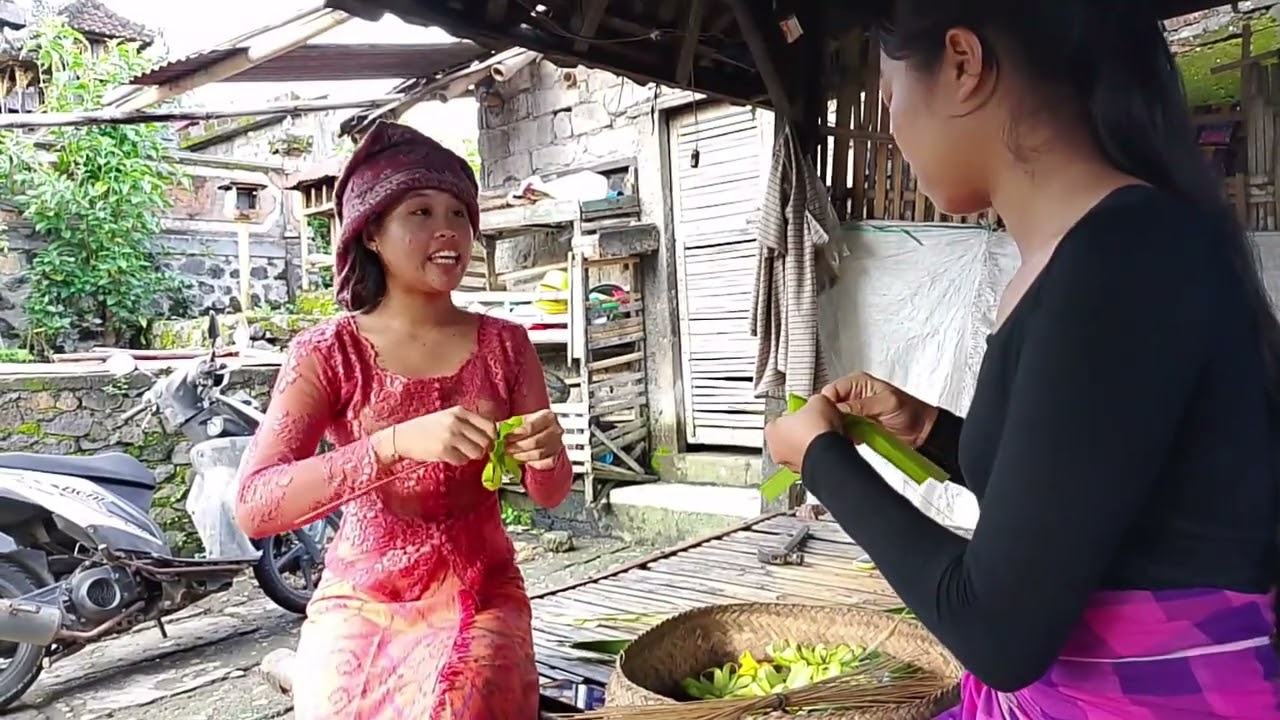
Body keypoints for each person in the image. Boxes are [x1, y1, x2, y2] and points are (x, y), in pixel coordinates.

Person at [764, 1, 1280, 717]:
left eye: (890, 96)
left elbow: (998, 629)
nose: (892, 127)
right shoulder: (1087, 256)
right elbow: (1067, 504)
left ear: (963, 64)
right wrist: (929, 432)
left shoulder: (1123, 261)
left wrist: (820, 457)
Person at [234, 120, 573, 719]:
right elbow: (257, 506)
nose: (448, 229)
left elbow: (550, 494)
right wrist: (391, 444)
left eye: (459, 214)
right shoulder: (327, 352)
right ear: (371, 234)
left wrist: (546, 455)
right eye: (420, 211)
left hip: (481, 590)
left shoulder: (505, 343)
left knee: (463, 704)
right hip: (362, 597)